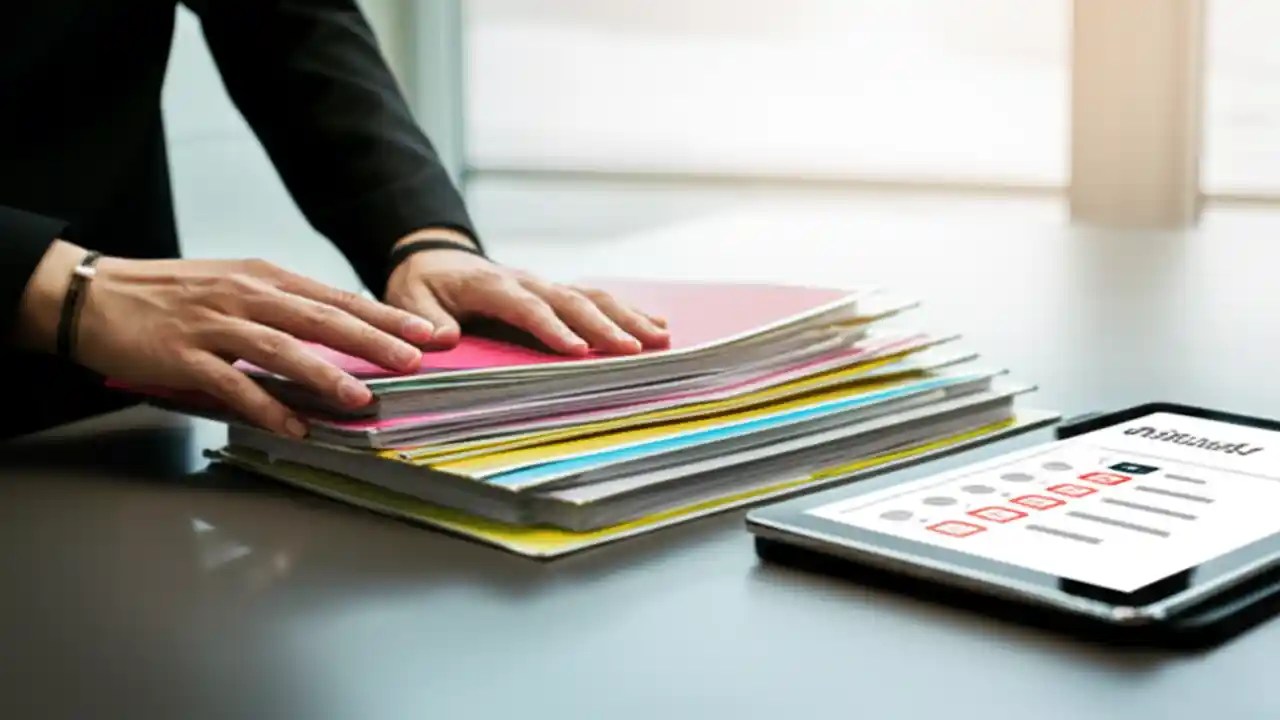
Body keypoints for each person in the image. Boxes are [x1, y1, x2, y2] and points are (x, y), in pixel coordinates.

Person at [1, 1, 669, 441]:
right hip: (88, 318)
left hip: (104, 420)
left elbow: (290, 17)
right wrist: (45, 281)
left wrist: (421, 236)